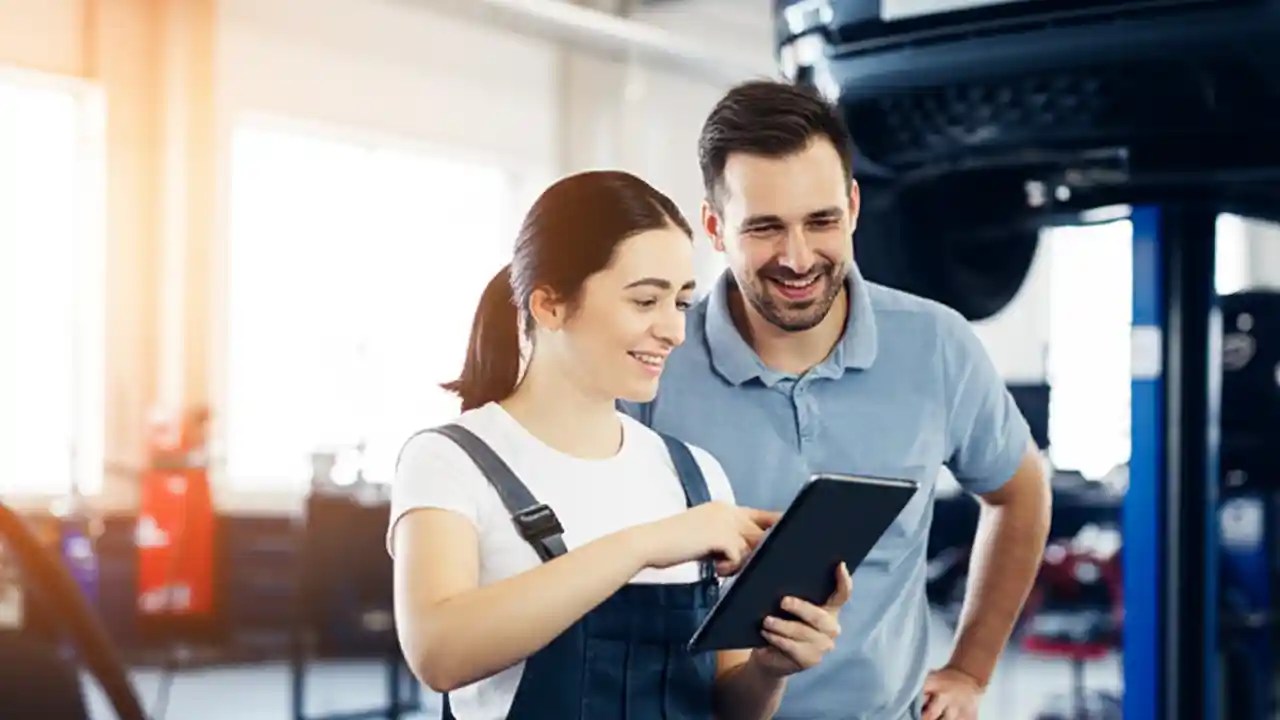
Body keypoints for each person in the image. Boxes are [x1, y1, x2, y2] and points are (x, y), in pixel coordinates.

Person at [620, 81, 1053, 720]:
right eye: (765, 228)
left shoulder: (936, 344)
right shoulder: (655, 360)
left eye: (820, 221)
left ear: (852, 207)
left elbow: (1020, 493)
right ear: (715, 228)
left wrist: (969, 670)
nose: (798, 258)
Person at [387, 170, 853, 720]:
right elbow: (438, 653)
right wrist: (646, 545)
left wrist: (770, 669)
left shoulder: (695, 476)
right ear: (550, 306)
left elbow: (731, 708)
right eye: (645, 301)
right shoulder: (449, 459)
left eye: (680, 303)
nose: (674, 331)